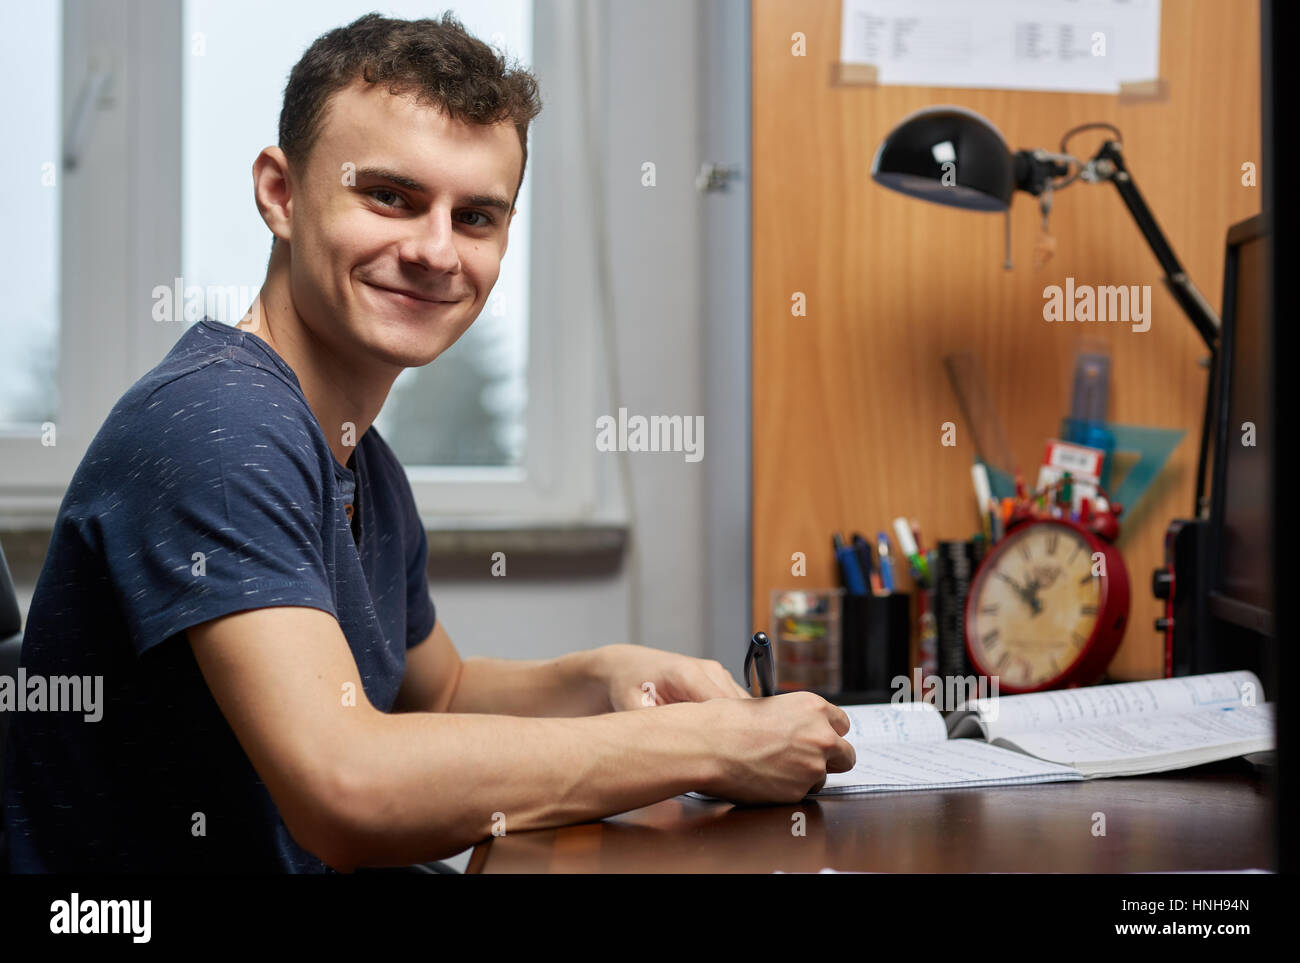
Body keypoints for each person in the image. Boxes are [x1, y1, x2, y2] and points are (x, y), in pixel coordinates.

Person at [2, 12, 853, 873]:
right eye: (391, 196)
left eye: (477, 216)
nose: (437, 251)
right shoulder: (218, 429)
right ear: (281, 193)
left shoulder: (357, 454)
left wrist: (605, 673)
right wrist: (704, 744)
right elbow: (348, 788)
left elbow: (436, 691)